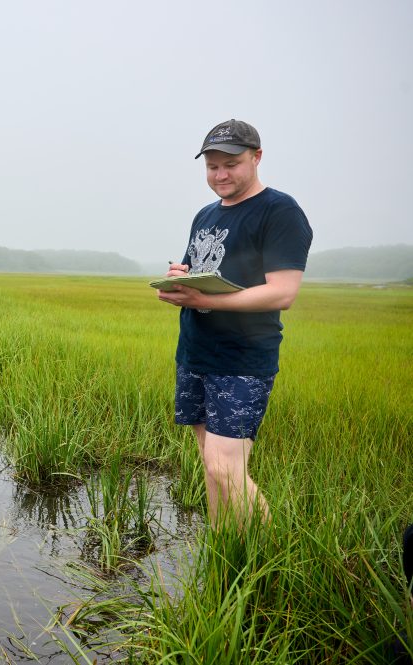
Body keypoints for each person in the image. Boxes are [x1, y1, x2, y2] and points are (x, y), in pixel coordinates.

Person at [157, 119, 313, 527]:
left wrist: (205, 297)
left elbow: (283, 292)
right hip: (195, 352)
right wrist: (180, 282)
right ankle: (223, 550)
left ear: (256, 158)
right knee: (211, 467)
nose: (221, 174)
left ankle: (270, 552)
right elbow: (202, 271)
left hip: (242, 360)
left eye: (231, 164)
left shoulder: (279, 211)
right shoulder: (205, 215)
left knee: (227, 468)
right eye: (212, 166)